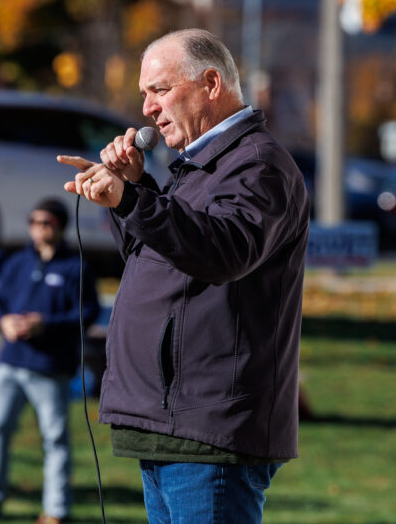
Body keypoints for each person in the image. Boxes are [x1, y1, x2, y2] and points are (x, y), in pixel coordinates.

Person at [59, 29, 310, 523]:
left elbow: (222, 252)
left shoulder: (256, 164)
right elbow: (156, 259)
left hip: (207, 428)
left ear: (211, 83)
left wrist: (133, 200)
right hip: (168, 422)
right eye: (144, 95)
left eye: (160, 89)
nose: (148, 109)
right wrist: (136, 187)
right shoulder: (195, 166)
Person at [0, 198, 100, 523]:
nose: (38, 228)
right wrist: (4, 322)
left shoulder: (76, 266)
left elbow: (89, 312)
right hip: (9, 362)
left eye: (46, 222)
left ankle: (55, 511)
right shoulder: (17, 262)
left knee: (55, 439)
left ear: (60, 226)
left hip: (48, 366)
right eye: (33, 221)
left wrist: (46, 324)